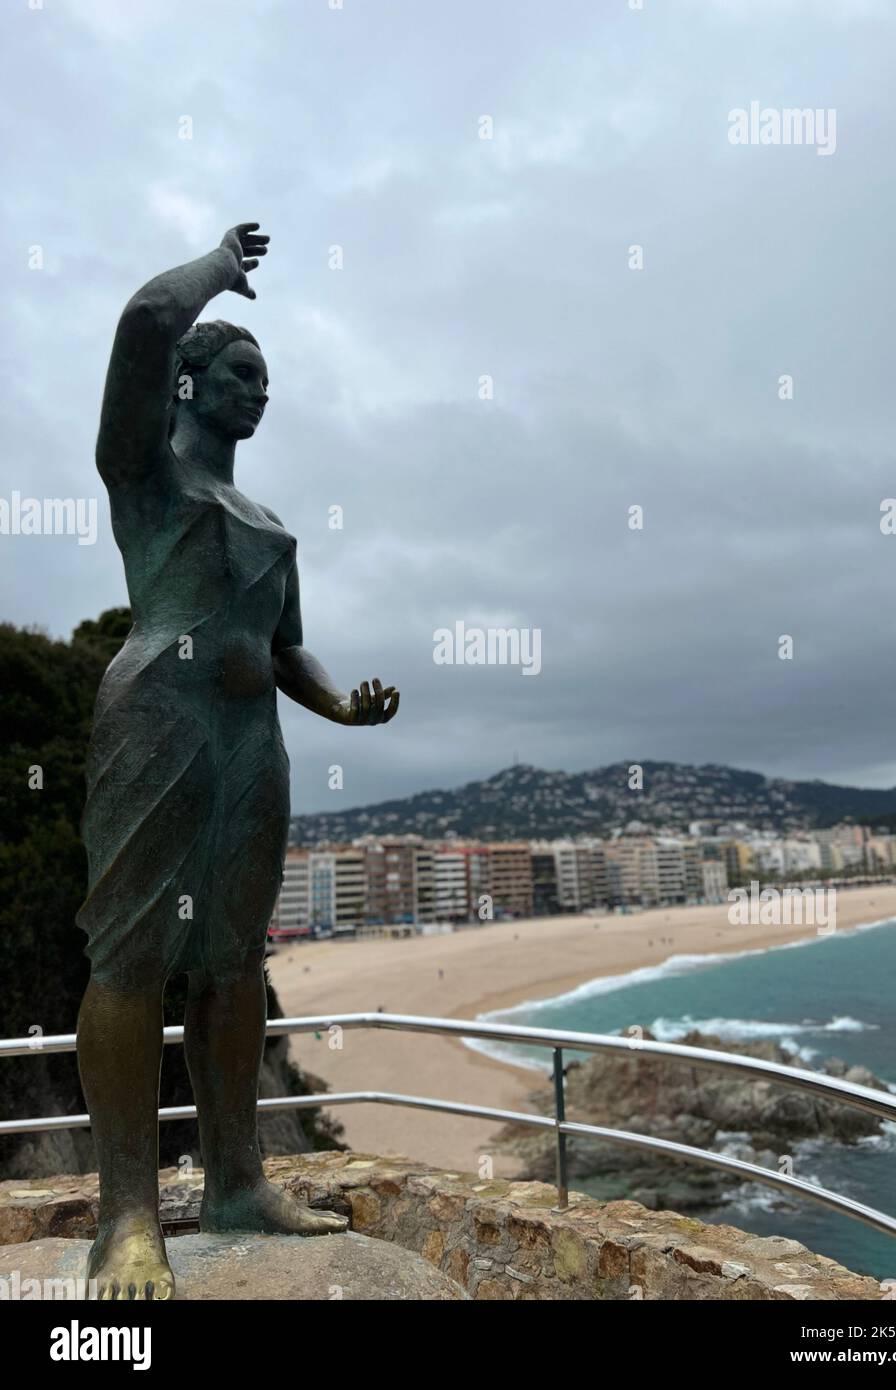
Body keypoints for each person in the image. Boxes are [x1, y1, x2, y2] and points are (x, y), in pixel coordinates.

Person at [76, 223, 399, 1300]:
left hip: (252, 748)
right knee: (129, 960)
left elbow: (282, 647)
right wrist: (217, 267)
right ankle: (127, 1216)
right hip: (157, 723)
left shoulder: (271, 527)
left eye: (268, 379)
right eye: (243, 373)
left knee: (230, 962)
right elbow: (140, 323)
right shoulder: (146, 476)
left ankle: (235, 1183)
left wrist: (343, 708)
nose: (261, 392)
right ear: (188, 384)